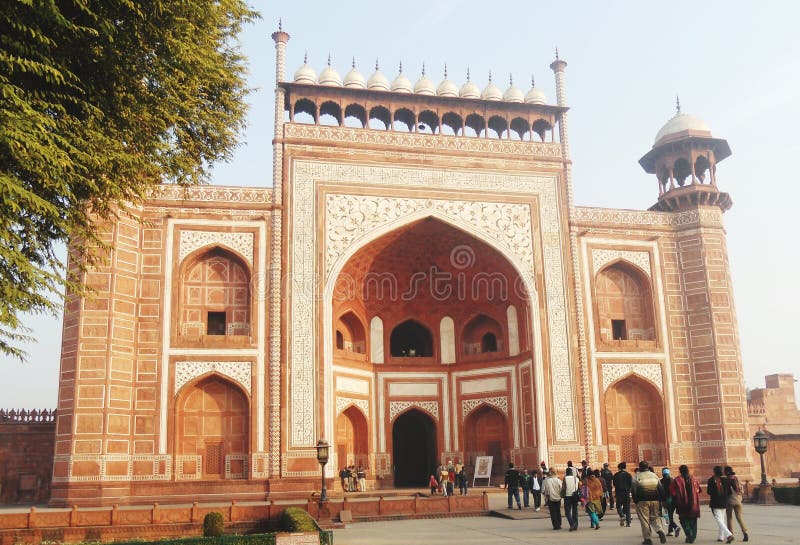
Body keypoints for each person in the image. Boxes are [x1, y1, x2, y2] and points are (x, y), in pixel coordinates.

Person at [631, 460, 667, 545]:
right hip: (655, 500)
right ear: (647, 467)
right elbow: (660, 489)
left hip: (642, 500)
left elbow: (633, 490)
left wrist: (636, 501)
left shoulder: (636, 477)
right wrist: (662, 500)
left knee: (644, 519)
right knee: (655, 517)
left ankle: (647, 539)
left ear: (640, 468)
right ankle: (660, 530)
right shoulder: (654, 475)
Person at [669, 464, 701, 544]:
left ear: (680, 471)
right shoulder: (694, 479)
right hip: (693, 503)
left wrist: (677, 496)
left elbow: (672, 491)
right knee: (693, 520)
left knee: (684, 519)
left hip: (682, 503)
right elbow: (699, 490)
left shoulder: (677, 480)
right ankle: (692, 537)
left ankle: (689, 534)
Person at [707, 466, 734, 543]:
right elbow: (729, 492)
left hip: (715, 503)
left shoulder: (711, 480)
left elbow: (709, 492)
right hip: (724, 502)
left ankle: (729, 534)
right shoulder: (725, 479)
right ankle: (721, 536)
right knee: (721, 519)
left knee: (719, 520)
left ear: (714, 471)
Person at [724, 466, 749, 542]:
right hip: (738, 500)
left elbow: (726, 492)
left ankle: (730, 535)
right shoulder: (737, 478)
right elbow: (742, 490)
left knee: (729, 518)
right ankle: (745, 533)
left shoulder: (726, 480)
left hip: (730, 501)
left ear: (726, 472)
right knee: (739, 518)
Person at [613, 461, 633, 527]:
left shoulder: (616, 475)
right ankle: (628, 523)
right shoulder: (628, 475)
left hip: (619, 493)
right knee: (627, 508)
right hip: (626, 493)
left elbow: (614, 484)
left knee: (618, 506)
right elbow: (631, 484)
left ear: (619, 468)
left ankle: (622, 515)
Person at [660, 467, 678, 537]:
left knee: (668, 516)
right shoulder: (673, 480)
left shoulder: (661, 481)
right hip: (674, 500)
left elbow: (661, 491)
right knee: (670, 516)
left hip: (666, 500)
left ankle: (676, 527)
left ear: (663, 473)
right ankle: (670, 531)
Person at [562, 466, 581, 531]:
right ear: (572, 472)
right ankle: (575, 525)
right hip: (575, 496)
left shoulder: (565, 478)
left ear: (566, 473)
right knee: (575, 511)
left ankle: (572, 524)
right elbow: (579, 487)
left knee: (567, 512)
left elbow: (563, 488)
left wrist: (562, 495)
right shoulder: (576, 478)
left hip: (567, 496)